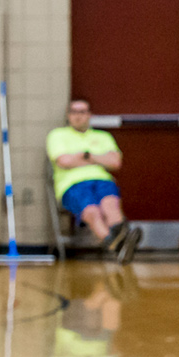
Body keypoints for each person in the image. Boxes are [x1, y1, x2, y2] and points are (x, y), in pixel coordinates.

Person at [47, 98, 140, 262]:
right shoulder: (57, 135)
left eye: (82, 112)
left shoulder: (103, 136)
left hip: (101, 180)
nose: (78, 116)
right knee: (92, 211)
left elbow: (115, 162)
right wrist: (98, 158)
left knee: (110, 204)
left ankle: (119, 236)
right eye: (74, 112)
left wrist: (85, 156)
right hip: (72, 185)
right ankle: (115, 244)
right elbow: (64, 162)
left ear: (89, 115)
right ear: (68, 115)